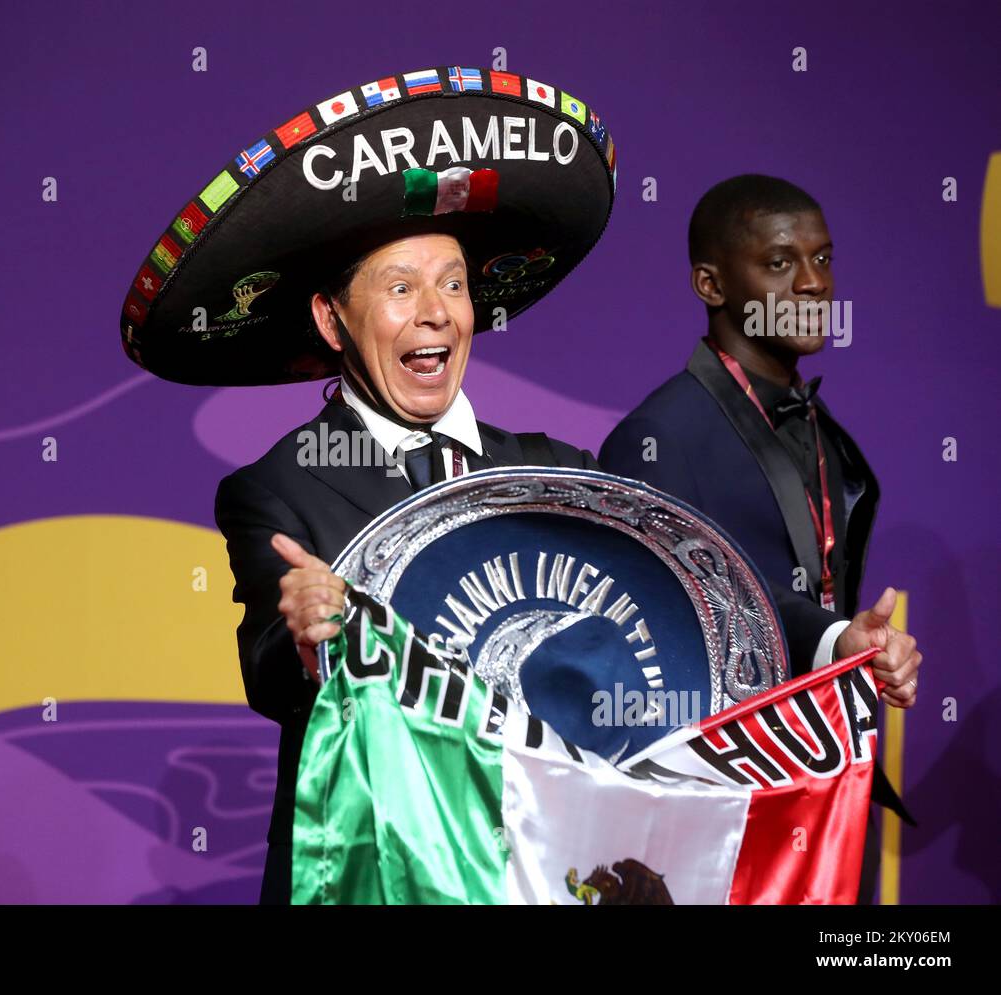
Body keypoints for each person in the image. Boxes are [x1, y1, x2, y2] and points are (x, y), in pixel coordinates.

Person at [119, 69, 917, 904]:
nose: (437, 313)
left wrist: (835, 644)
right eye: (400, 289)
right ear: (332, 320)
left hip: (539, 876)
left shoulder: (559, 473)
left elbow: (699, 595)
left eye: (454, 285)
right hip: (376, 875)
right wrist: (311, 637)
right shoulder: (279, 487)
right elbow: (272, 672)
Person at [599, 174, 920, 902]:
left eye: (824, 259)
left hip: (832, 795)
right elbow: (682, 614)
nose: (813, 284)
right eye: (780, 263)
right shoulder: (655, 440)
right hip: (721, 823)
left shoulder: (823, 431)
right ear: (711, 283)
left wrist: (863, 649)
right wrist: (833, 638)